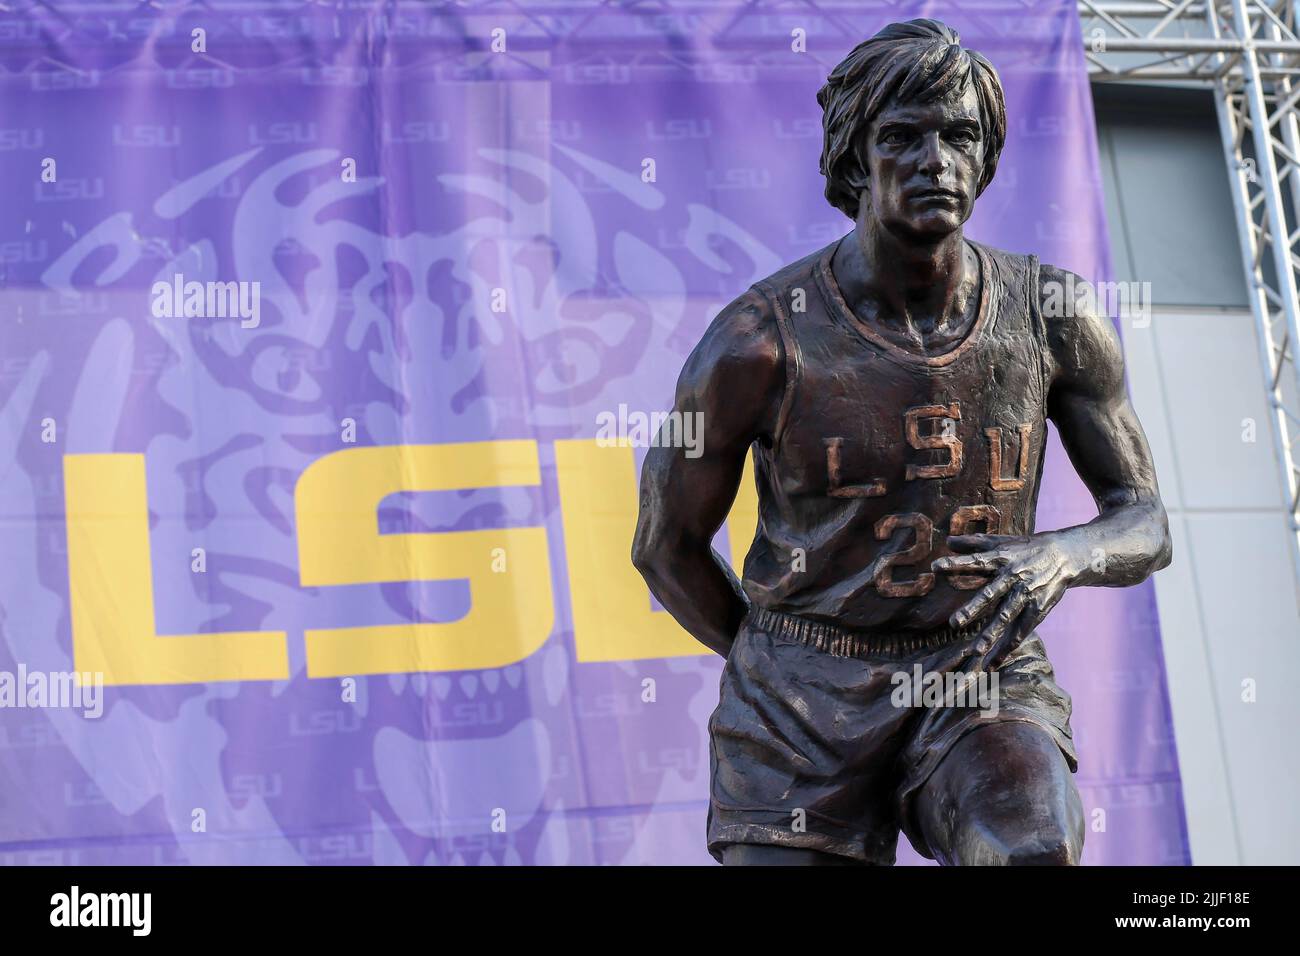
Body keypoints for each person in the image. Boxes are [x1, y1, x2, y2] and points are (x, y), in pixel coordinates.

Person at [631, 18, 1172, 866]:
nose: (935, 160)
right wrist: (775, 662)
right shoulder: (757, 340)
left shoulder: (1053, 315)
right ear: (855, 160)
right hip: (797, 700)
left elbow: (1143, 519)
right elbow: (665, 545)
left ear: (986, 156)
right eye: (902, 137)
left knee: (1029, 850)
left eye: (959, 135)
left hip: (974, 669)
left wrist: (1061, 556)